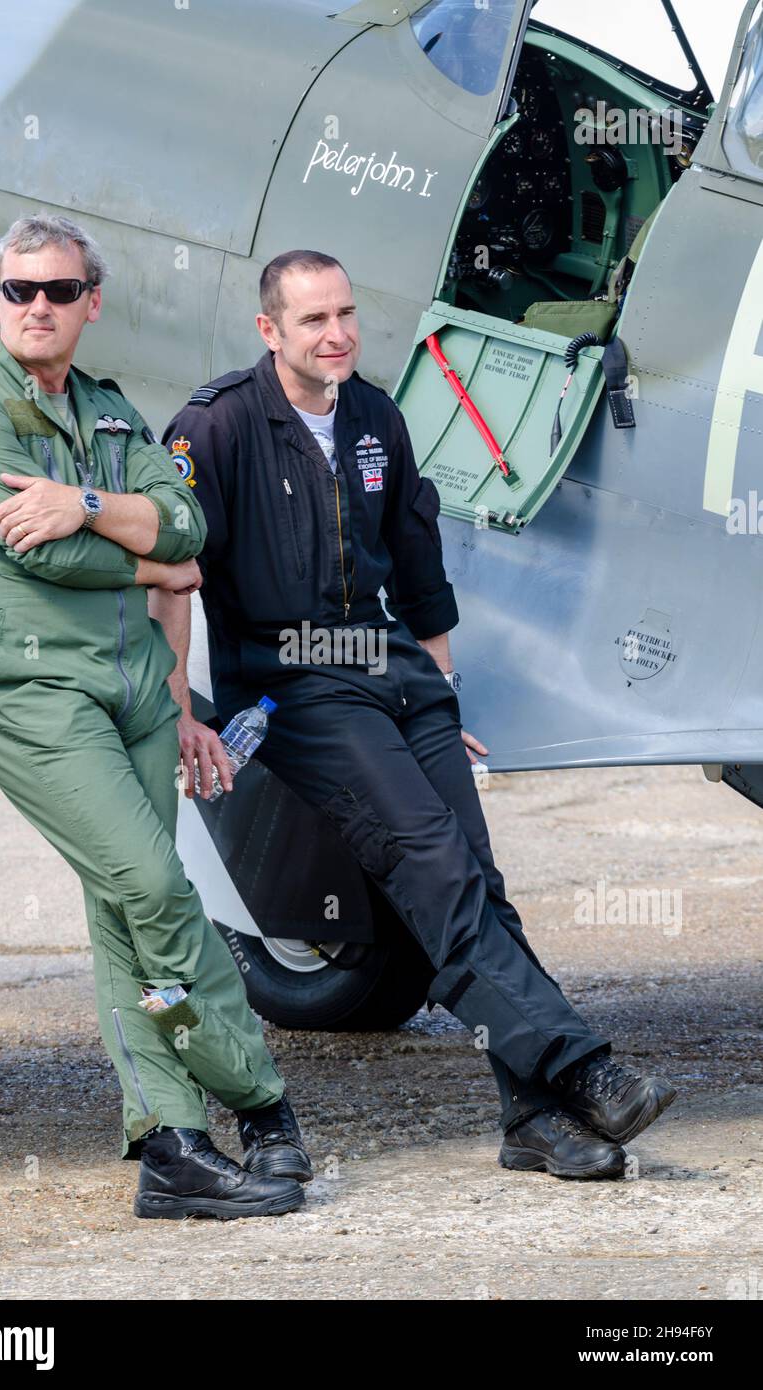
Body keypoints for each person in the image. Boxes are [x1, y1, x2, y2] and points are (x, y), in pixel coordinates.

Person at [162, 249, 677, 1181]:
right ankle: (582, 1068)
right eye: (313, 320)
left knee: (476, 875)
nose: (337, 334)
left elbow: (416, 553)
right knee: (432, 863)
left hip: (394, 669)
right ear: (269, 331)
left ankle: (529, 1120)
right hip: (293, 683)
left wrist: (437, 691)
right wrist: (174, 708)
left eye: (346, 313)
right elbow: (169, 566)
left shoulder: (374, 415)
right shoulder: (217, 425)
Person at [0, 215, 312, 1221]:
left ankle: (171, 1145)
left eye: (56, 290)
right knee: (154, 888)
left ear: (90, 301)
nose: (35, 308)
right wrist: (140, 549)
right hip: (30, 694)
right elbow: (41, 554)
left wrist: (85, 507)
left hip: (132, 686)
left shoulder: (114, 411)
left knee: (121, 918)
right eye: (17, 292)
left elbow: (188, 526)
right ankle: (260, 1101)